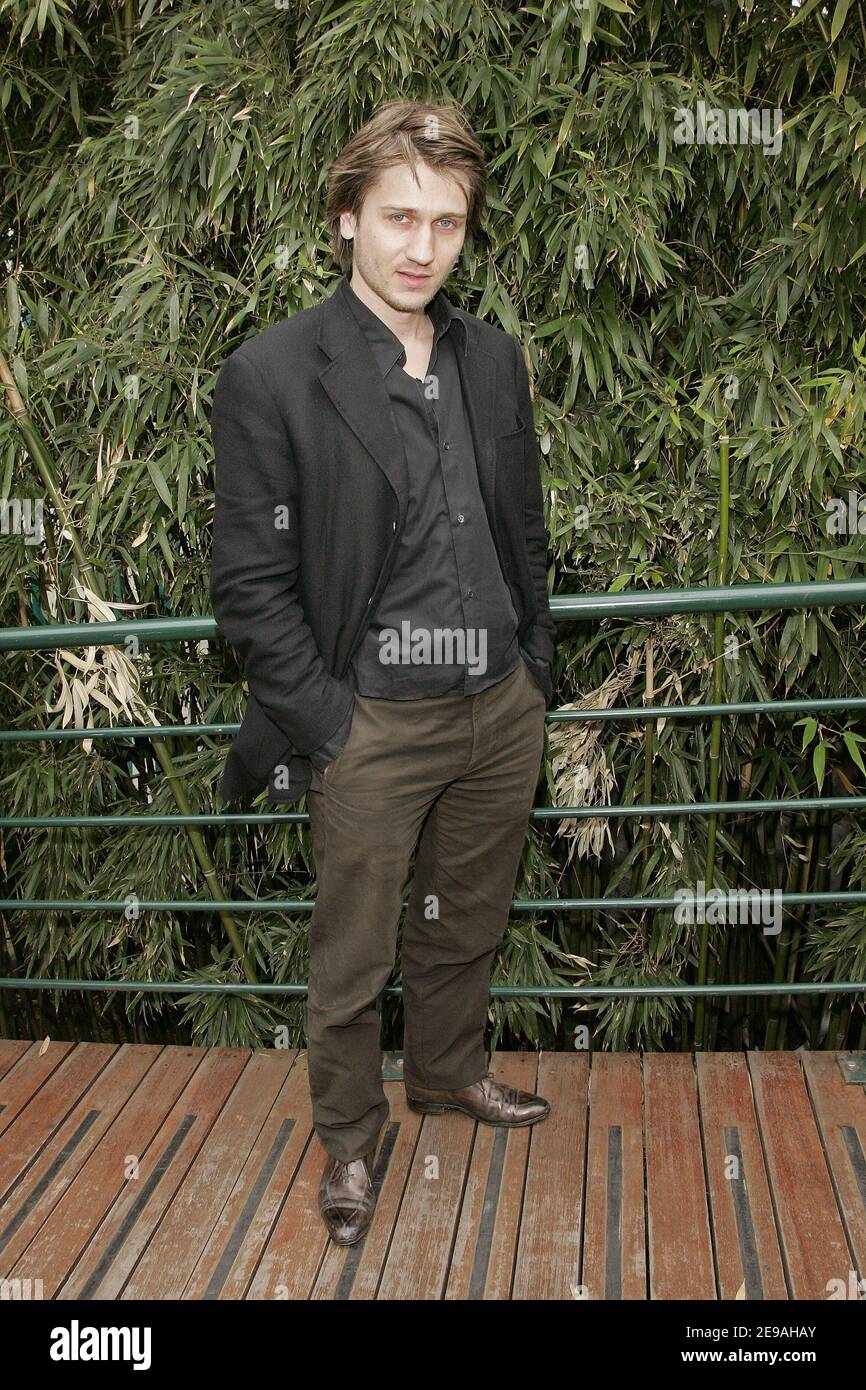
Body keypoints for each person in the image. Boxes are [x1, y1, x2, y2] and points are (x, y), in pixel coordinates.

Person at [210, 99, 556, 1247]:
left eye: (447, 222)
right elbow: (248, 587)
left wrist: (534, 671)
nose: (423, 246)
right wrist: (329, 723)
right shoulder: (272, 375)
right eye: (399, 216)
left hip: (496, 707)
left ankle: (449, 1072)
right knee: (351, 954)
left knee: (464, 920)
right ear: (344, 219)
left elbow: (522, 525)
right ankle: (349, 1138)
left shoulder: (491, 358)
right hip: (373, 724)